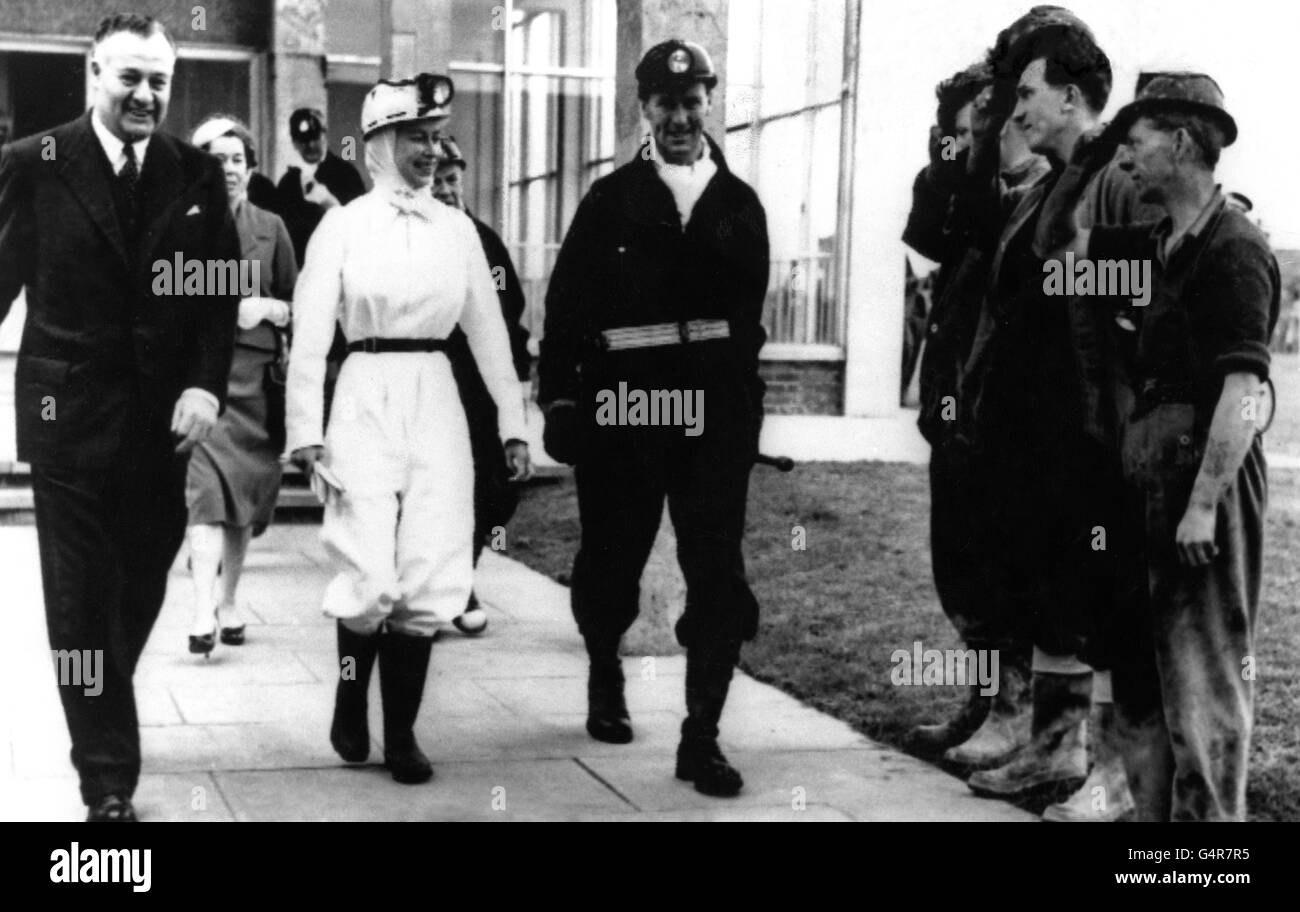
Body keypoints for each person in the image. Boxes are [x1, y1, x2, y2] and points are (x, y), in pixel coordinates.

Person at [0, 14, 240, 821]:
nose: (145, 95)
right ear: (93, 73)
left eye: (159, 82)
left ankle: (98, 695)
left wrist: (206, 386)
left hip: (162, 427)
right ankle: (106, 782)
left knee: (136, 588)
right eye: (130, 77)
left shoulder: (195, 172)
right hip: (66, 419)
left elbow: (215, 296)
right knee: (77, 605)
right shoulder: (33, 165)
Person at [1035, 73, 1278, 821]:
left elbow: (1243, 393)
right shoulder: (1149, 244)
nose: (1126, 159)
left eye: (1136, 142)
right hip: (1145, 484)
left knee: (1200, 687)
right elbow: (1058, 247)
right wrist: (1087, 156)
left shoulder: (1232, 249)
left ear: (1180, 142)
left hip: (1204, 488)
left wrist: (1202, 506)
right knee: (1139, 681)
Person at [538, 39, 769, 798]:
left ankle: (700, 736)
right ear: (644, 109)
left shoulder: (738, 205)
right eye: (665, 103)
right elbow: (566, 308)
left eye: (693, 99)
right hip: (624, 412)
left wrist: (743, 414)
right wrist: (564, 399)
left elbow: (747, 325)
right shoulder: (610, 200)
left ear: (709, 103)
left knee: (718, 576)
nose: (680, 115)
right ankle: (605, 667)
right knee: (612, 558)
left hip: (707, 417)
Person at [285, 74, 531, 785]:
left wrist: (513, 426)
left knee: (429, 562)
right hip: (363, 392)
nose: (431, 151)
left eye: (435, 137)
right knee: (368, 565)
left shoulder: (459, 232)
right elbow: (308, 334)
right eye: (416, 137)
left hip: (436, 398)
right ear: (380, 144)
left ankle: (403, 734)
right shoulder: (344, 225)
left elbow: (490, 339)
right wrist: (306, 429)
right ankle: (348, 694)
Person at [949, 12, 1153, 822]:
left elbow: (1139, 295)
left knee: (1106, 600)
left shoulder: (1115, 174)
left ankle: (1112, 770)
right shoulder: (1059, 178)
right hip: (1045, 434)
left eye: (1028, 94)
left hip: (1098, 433)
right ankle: (1054, 745)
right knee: (1056, 586)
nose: (1017, 110)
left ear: (1072, 98)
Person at [905, 61, 1050, 755]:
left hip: (1005, 427)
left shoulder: (1038, 198)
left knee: (1002, 571)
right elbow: (931, 241)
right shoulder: (968, 197)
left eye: (978, 128)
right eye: (956, 131)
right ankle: (983, 701)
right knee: (957, 569)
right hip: (955, 419)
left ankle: (1014, 715)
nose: (967, 141)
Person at [184, 115, 298, 656]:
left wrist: (272, 307)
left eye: (237, 159)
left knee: (243, 503)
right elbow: (169, 301)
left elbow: (300, 303)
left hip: (256, 385)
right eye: (216, 160)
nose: (227, 169)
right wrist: (236, 307)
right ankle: (202, 608)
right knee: (206, 495)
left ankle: (229, 602)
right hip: (201, 383)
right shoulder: (180, 225)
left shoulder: (271, 228)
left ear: (251, 168)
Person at [433, 137, 532, 636]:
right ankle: (448, 587)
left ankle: (459, 573)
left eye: (454, 179)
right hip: (434, 387)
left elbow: (511, 317)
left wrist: (516, 385)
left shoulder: (486, 241)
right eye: (437, 180)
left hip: (483, 389)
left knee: (495, 492)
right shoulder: (418, 241)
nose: (448, 190)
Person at [275, 108, 367, 266]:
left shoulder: (346, 174)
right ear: (294, 142)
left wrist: (329, 203)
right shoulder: (287, 182)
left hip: (336, 267)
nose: (310, 145)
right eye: (303, 140)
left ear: (324, 134)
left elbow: (362, 228)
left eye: (314, 138)